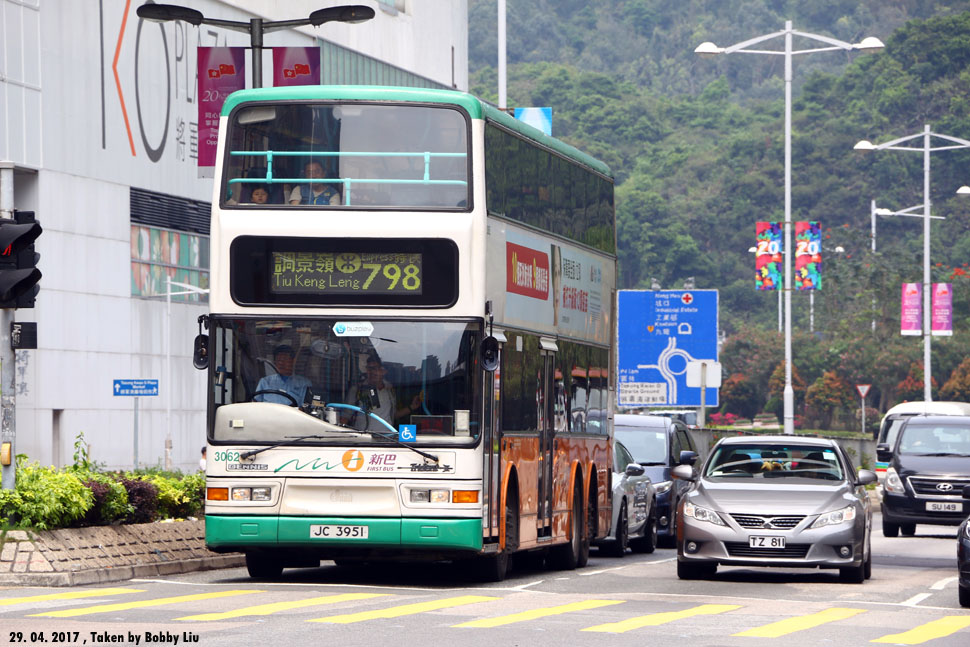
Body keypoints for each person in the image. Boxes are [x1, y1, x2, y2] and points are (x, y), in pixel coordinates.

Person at [348, 354, 422, 430]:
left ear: (384, 371)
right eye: (369, 368)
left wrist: (412, 407)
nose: (372, 372)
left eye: (375, 368)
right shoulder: (357, 390)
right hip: (364, 439)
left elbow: (393, 415)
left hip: (387, 438)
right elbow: (345, 416)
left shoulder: (389, 390)